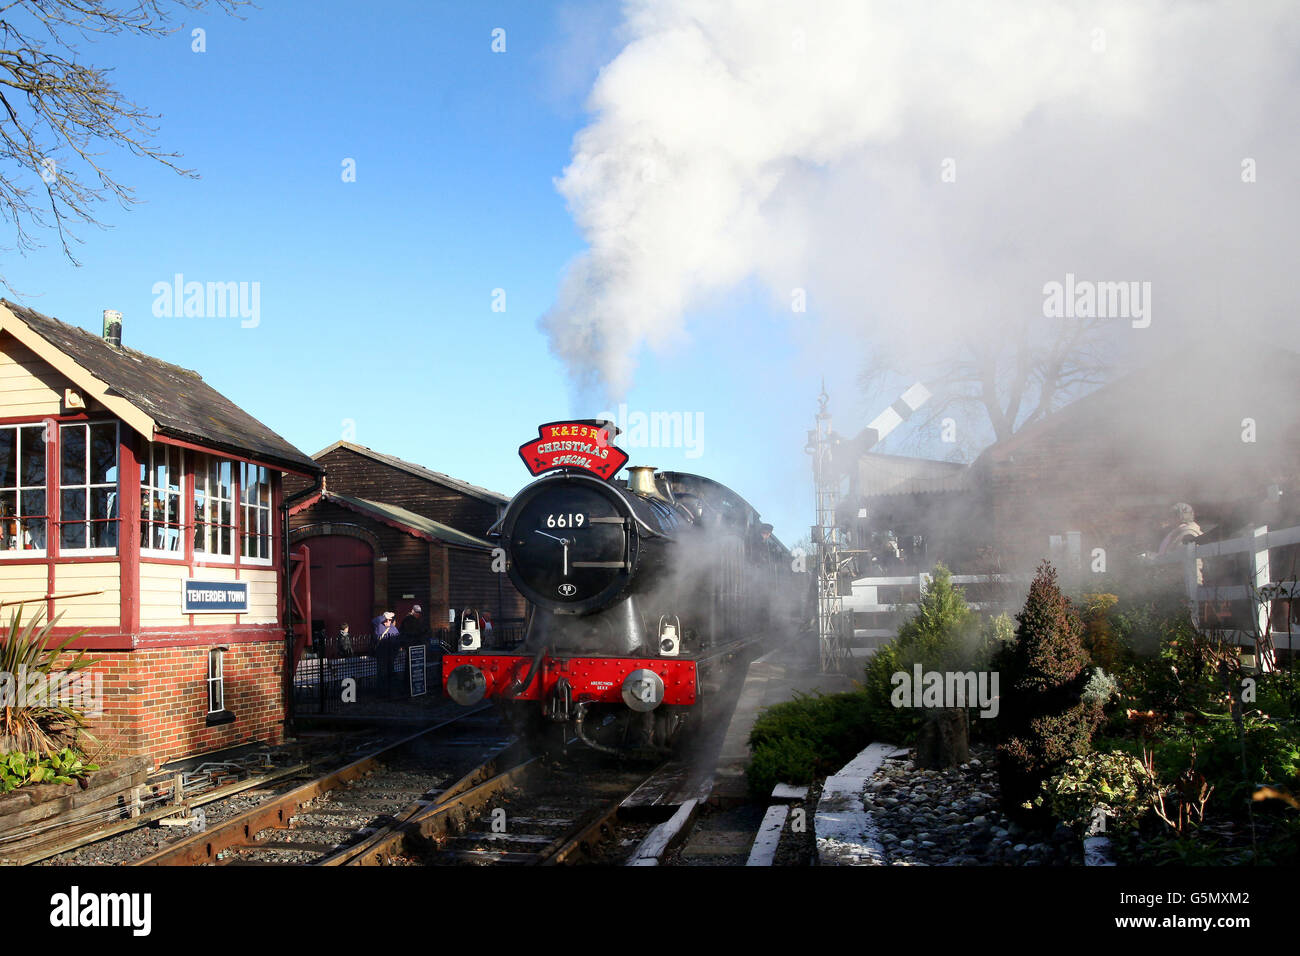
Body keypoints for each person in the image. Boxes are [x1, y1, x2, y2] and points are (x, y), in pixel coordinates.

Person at [373, 611, 400, 696]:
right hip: (381, 655)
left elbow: (398, 642)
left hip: (390, 655)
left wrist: (395, 653)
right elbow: (374, 620)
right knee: (381, 674)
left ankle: (390, 692)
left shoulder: (393, 629)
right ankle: (381, 692)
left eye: (389, 620)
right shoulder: (379, 626)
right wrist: (384, 616)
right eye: (386, 620)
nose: (387, 622)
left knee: (390, 674)